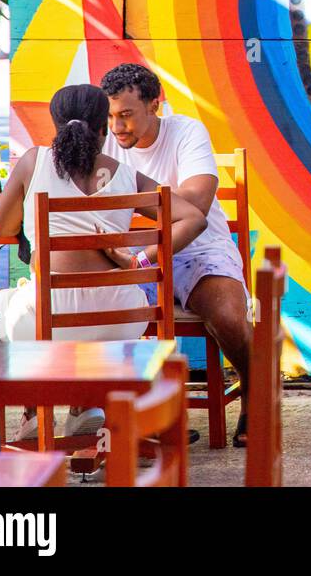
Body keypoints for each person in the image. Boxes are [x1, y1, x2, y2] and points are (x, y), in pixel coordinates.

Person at [0, 83, 207, 441]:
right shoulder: (125, 175)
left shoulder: (33, 161)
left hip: (50, 321)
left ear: (56, 126)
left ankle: (31, 416)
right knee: (78, 325)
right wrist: (137, 259)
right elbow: (193, 218)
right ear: (103, 128)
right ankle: (83, 408)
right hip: (121, 322)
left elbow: (1, 228)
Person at [99, 61, 255, 447]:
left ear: (155, 105)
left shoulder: (185, 130)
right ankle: (147, 412)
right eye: (111, 116)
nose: (117, 127)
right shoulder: (105, 141)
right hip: (132, 254)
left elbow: (197, 204)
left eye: (127, 116)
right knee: (92, 311)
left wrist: (130, 209)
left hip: (198, 249)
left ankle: (257, 392)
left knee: (226, 317)